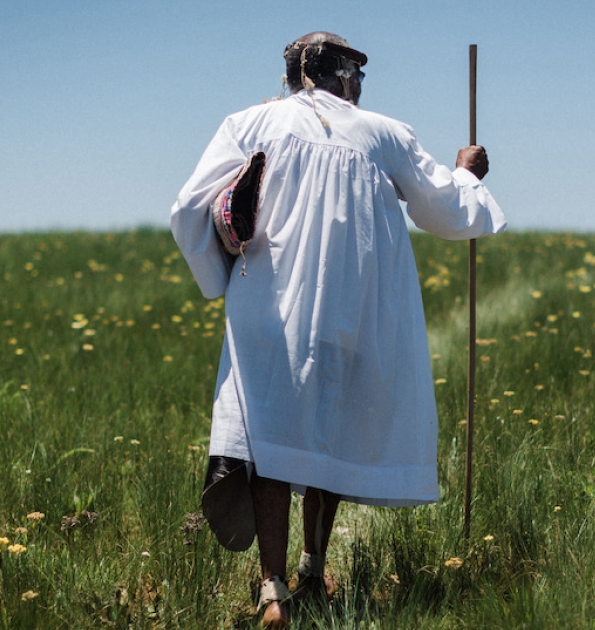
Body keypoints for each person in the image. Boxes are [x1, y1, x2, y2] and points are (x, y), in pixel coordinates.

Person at [170, 31, 506, 626]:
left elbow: (188, 207)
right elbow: (443, 209)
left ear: (296, 75)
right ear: (344, 75)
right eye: (358, 76)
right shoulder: (383, 133)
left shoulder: (249, 124)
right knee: (331, 430)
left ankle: (273, 589)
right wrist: (467, 176)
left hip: (266, 308)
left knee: (269, 437)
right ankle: (311, 568)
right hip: (353, 310)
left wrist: (216, 278)